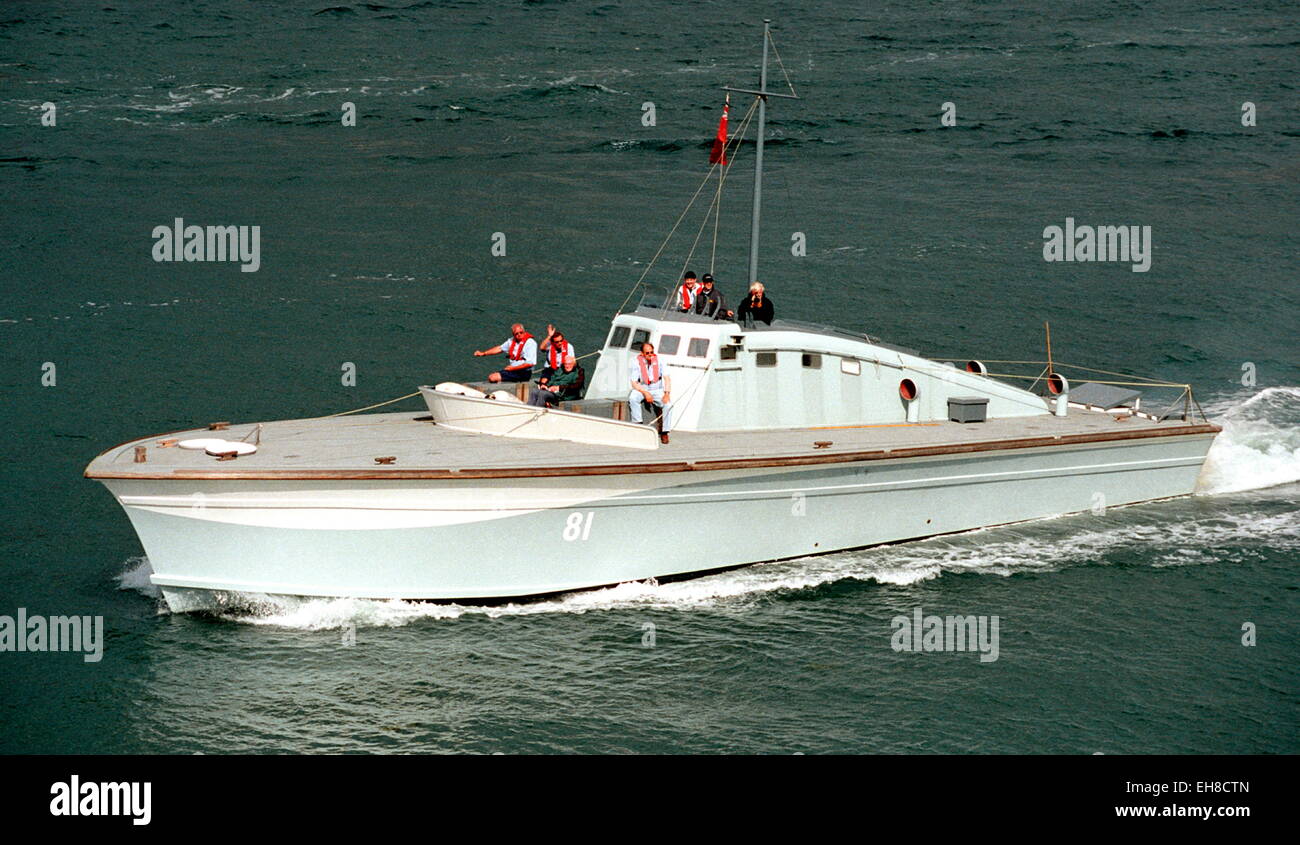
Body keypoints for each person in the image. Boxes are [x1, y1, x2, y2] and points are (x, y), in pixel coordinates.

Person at [628, 341, 672, 444]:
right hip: (642, 387)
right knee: (633, 398)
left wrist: (666, 393)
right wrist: (645, 393)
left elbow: (667, 378)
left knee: (668, 405)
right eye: (647, 353)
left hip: (657, 389)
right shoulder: (636, 362)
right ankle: (638, 425)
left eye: (651, 352)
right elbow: (634, 382)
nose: (650, 355)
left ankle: (665, 432)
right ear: (642, 354)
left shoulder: (660, 360)